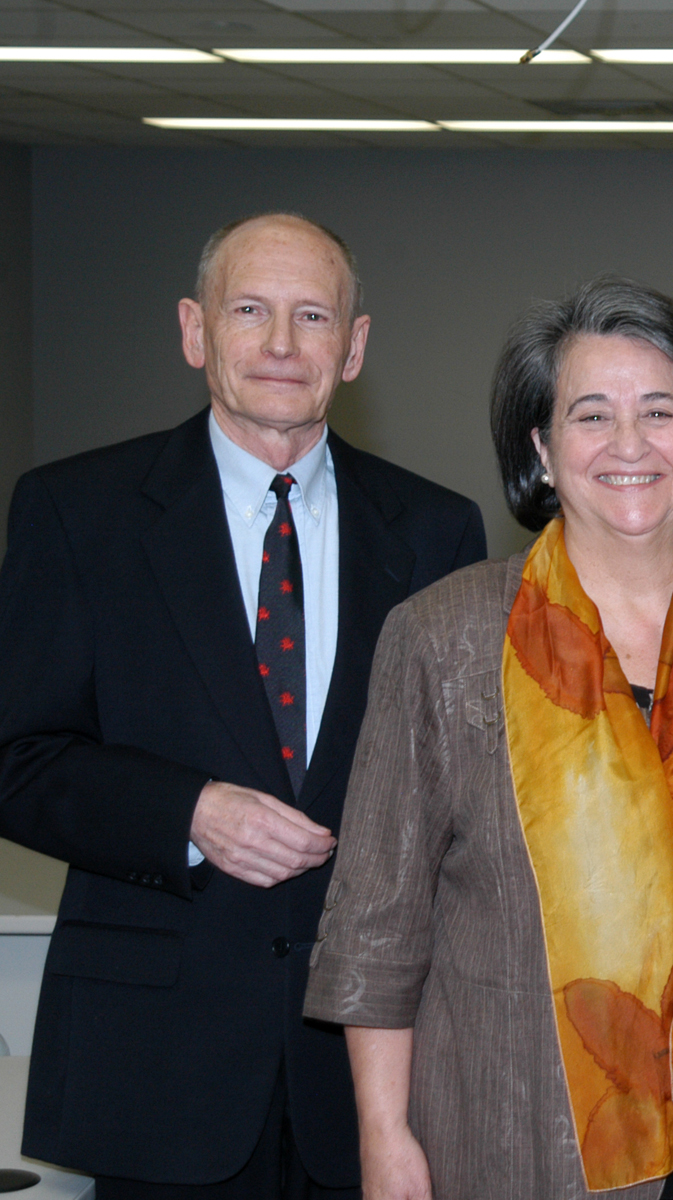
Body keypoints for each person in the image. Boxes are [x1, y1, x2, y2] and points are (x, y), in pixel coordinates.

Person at [304, 277, 673, 1200]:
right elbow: (379, 925)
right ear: (542, 450)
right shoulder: (443, 638)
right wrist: (384, 1138)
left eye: (661, 412)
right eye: (592, 416)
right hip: (510, 1140)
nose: (629, 445)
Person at [0, 212, 486, 1197]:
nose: (279, 345)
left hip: (368, 1071)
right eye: (250, 310)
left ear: (353, 348)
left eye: (312, 317)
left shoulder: (436, 529)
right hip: (158, 1067)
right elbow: (17, 756)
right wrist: (188, 812)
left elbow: (463, 789)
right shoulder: (76, 511)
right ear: (194, 330)